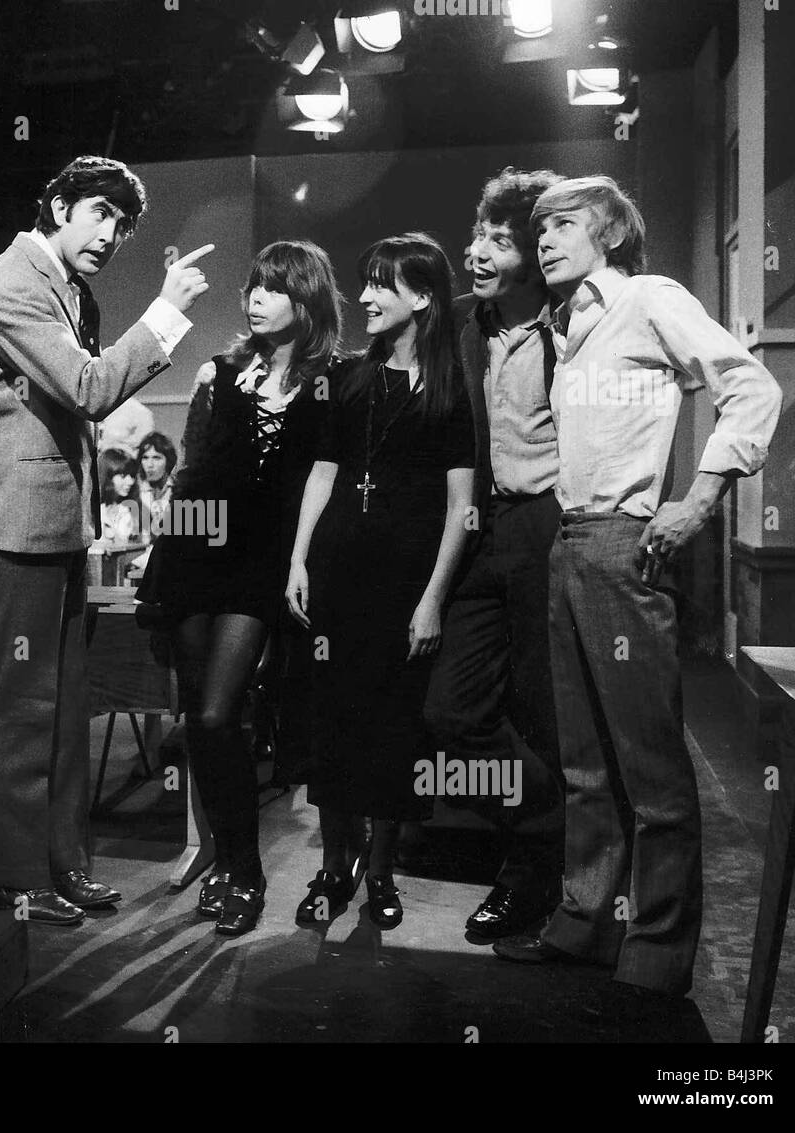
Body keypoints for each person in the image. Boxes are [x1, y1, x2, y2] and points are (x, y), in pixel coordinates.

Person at [493, 176, 781, 998]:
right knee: (584, 763)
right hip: (569, 540)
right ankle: (586, 924)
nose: (544, 238)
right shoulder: (567, 325)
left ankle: (657, 952)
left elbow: (750, 387)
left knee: (649, 768)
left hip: (624, 542)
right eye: (539, 227)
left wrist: (700, 498)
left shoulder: (647, 298)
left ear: (610, 233)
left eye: (564, 225)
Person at [0, 155, 212, 924]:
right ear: (60, 205)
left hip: (56, 525)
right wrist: (166, 312)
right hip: (23, 528)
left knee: (66, 708)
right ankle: (15, 872)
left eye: (123, 224)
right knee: (27, 707)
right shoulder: (11, 282)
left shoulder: (64, 287)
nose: (111, 235)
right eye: (99, 214)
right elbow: (90, 388)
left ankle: (61, 863)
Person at [141, 239, 342, 936]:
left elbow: (326, 479)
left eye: (273, 288)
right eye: (253, 286)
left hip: (265, 564)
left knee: (223, 713)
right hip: (198, 556)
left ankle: (246, 868)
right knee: (199, 717)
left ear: (306, 298)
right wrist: (163, 557)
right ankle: (227, 860)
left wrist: (304, 560)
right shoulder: (219, 372)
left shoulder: (330, 380)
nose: (255, 297)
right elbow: (193, 474)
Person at [286, 233, 475, 931]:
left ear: (422, 296)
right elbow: (324, 472)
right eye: (364, 282)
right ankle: (335, 865)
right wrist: (298, 558)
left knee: (395, 731)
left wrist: (432, 599)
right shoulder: (348, 377)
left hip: (404, 586)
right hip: (338, 574)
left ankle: (382, 873)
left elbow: (462, 505)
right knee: (333, 725)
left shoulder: (452, 388)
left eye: (380, 285)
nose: (363, 296)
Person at [422, 168, 568, 939]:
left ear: (536, 252)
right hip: (474, 529)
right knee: (453, 710)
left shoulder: (573, 321)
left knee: (543, 709)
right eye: (478, 234)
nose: (478, 250)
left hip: (549, 524)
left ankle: (531, 875)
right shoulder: (455, 322)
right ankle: (549, 828)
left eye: (500, 239)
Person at [98, 448, 144, 544]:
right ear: (108, 476)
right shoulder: (93, 511)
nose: (130, 482)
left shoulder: (131, 510)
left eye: (131, 475)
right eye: (123, 475)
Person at [136, 430, 177, 535]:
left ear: (168, 461)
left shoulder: (178, 489)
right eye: (145, 458)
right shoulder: (136, 490)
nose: (150, 465)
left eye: (156, 458)